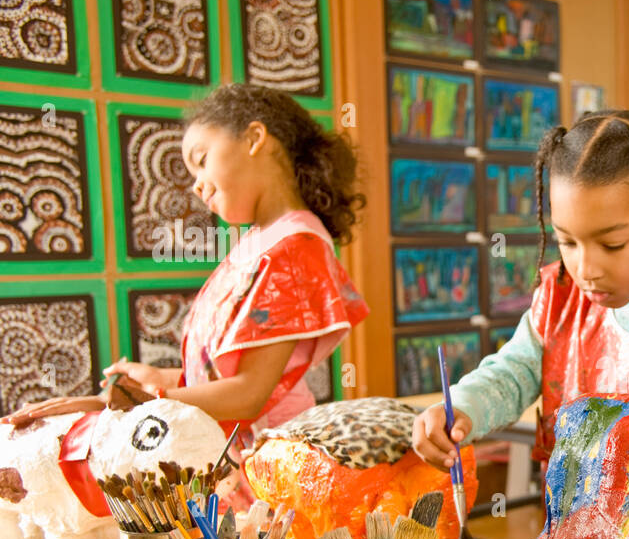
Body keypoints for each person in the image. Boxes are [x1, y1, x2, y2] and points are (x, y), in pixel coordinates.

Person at [2, 84, 369, 443]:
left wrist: (120, 407)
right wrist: (157, 379)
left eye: (201, 159)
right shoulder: (264, 241)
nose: (196, 186)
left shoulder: (296, 245)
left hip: (264, 457)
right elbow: (225, 379)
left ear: (256, 137)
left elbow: (248, 395)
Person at [412, 109, 629, 473]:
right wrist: (461, 406)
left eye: (612, 244)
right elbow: (512, 372)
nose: (585, 270)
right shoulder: (561, 301)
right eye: (566, 241)